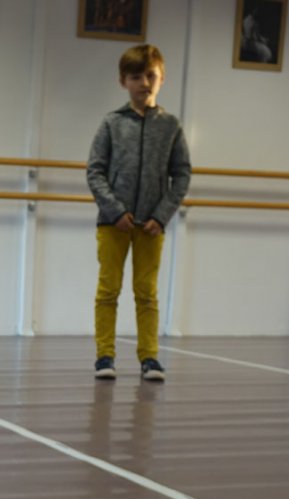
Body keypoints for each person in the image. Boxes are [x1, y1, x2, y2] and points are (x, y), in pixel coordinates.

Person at [86, 43, 191, 383]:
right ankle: (105, 354)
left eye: (151, 76)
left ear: (161, 79)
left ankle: (150, 358)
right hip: (112, 224)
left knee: (146, 292)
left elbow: (182, 173)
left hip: (151, 226)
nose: (144, 82)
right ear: (123, 81)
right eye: (136, 77)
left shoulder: (171, 126)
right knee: (108, 290)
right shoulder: (111, 123)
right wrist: (114, 210)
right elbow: (95, 171)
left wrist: (161, 215)